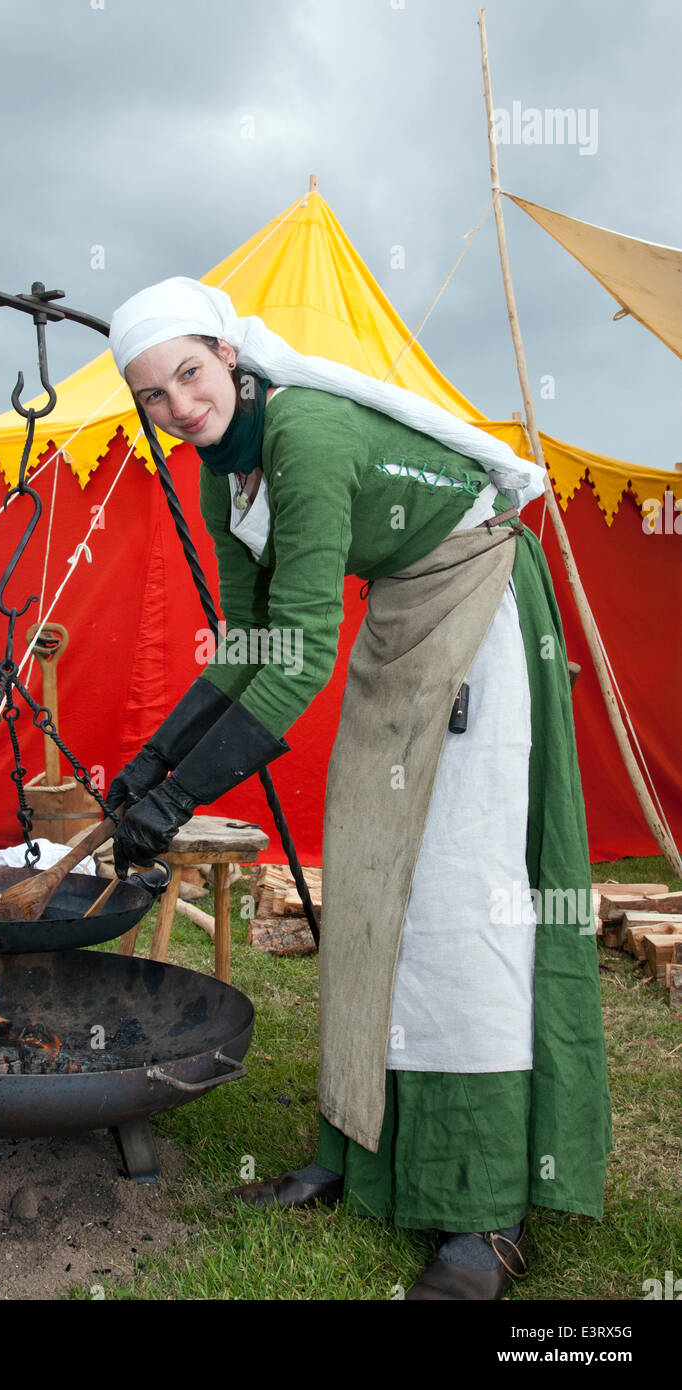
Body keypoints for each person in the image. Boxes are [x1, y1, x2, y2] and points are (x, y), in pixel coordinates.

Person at [102, 276, 612, 1301]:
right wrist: (153, 766)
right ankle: (355, 1149)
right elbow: (249, 642)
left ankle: (485, 1212)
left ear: (229, 358)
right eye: (153, 396)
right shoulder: (221, 473)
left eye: (189, 376)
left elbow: (293, 661)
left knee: (459, 897)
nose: (179, 407)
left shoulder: (307, 436)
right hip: (399, 615)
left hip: (476, 605)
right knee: (372, 878)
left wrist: (176, 799)